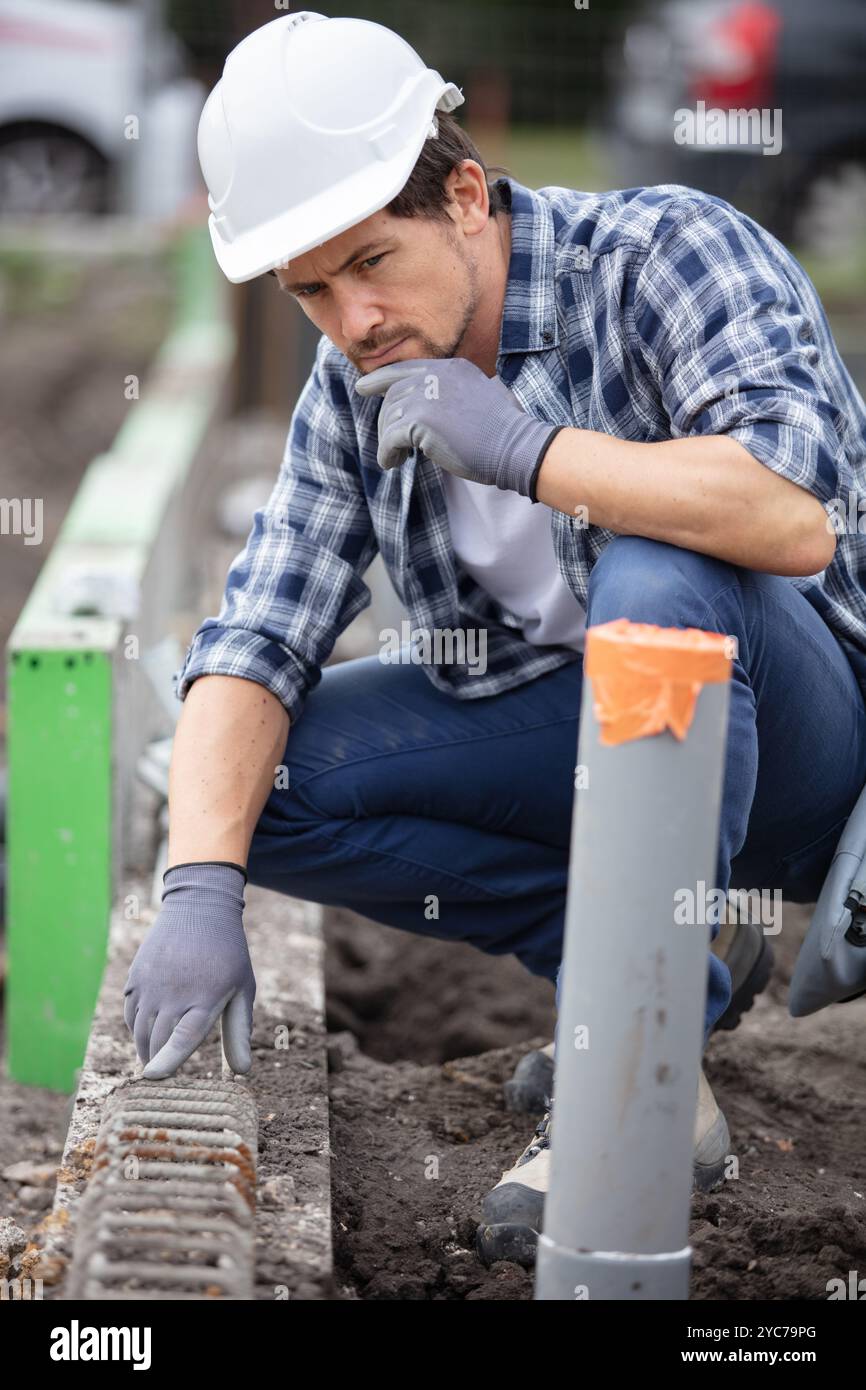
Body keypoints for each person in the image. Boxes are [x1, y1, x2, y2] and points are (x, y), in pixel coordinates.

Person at [123, 13, 866, 1267]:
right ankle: (648, 951)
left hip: (803, 740)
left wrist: (531, 454)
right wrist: (197, 886)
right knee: (251, 788)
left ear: (463, 193)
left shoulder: (666, 253)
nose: (353, 319)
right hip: (581, 725)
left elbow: (786, 516)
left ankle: (639, 1073)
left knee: (659, 560)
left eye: (371, 263)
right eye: (310, 290)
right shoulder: (350, 384)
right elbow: (256, 633)